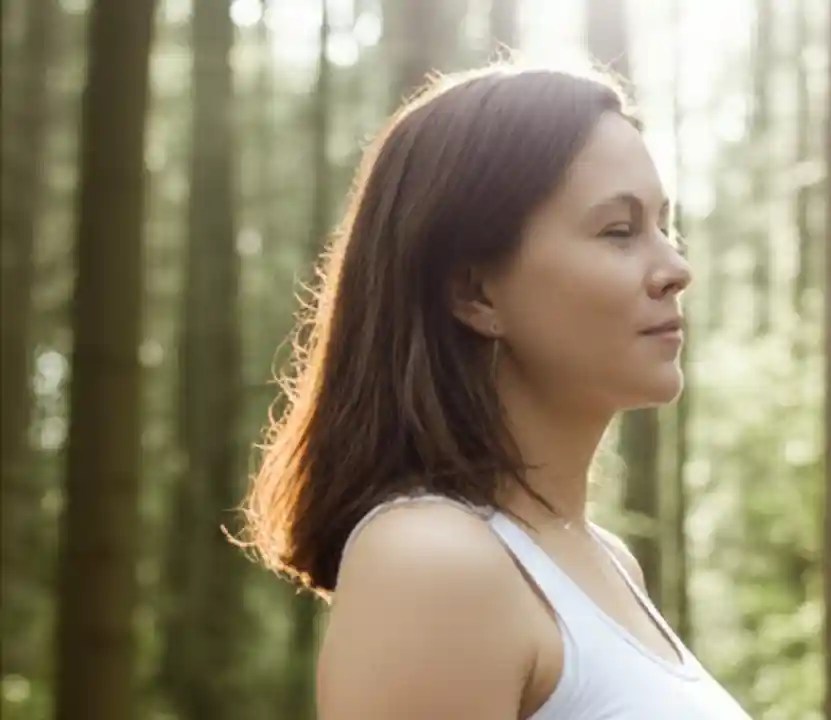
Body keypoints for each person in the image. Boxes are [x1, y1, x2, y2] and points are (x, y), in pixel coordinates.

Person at [236, 63, 752, 719]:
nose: (676, 269)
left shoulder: (608, 563)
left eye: (664, 227)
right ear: (474, 292)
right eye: (618, 231)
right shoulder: (431, 562)